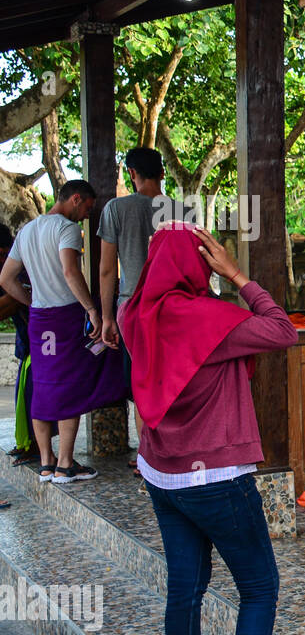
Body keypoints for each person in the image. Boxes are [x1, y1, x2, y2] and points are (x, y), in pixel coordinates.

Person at [118, 223, 304, 635]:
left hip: (162, 474)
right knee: (260, 589)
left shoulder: (136, 316)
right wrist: (238, 275)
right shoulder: (210, 320)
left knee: (185, 590)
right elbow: (281, 330)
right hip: (217, 479)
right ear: (201, 261)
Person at [0, 180, 126, 484]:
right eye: (87, 208)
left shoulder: (27, 231)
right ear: (76, 199)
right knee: (70, 385)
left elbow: (6, 279)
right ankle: (66, 465)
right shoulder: (66, 229)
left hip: (40, 320)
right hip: (66, 317)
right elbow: (71, 271)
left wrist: (32, 302)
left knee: (43, 386)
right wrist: (93, 310)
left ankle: (46, 463)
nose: (86, 215)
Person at [100, 145, 170, 463]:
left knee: (141, 380)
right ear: (162, 173)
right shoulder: (183, 211)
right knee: (171, 377)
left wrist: (105, 317)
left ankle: (146, 456)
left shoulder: (116, 209)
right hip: (174, 307)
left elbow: (105, 269)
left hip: (133, 307)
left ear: (131, 173)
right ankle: (172, 451)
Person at [0, 223, 35, 467]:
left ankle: (32, 446)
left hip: (40, 341)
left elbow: (14, 301)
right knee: (23, 396)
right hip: (26, 344)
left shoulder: (20, 267)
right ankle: (26, 443)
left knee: (33, 396)